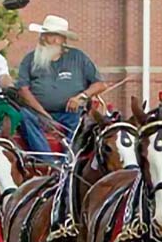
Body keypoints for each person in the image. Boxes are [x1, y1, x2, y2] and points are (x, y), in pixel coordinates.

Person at [17, 14, 105, 155]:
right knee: (24, 115)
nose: (52, 40)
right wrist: (43, 113)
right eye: (49, 35)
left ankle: (69, 159)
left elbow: (100, 84)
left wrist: (81, 97)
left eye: (57, 36)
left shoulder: (78, 57)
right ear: (42, 36)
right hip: (37, 114)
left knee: (81, 122)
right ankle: (48, 160)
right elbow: (23, 90)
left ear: (63, 39)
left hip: (70, 113)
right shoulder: (29, 59)